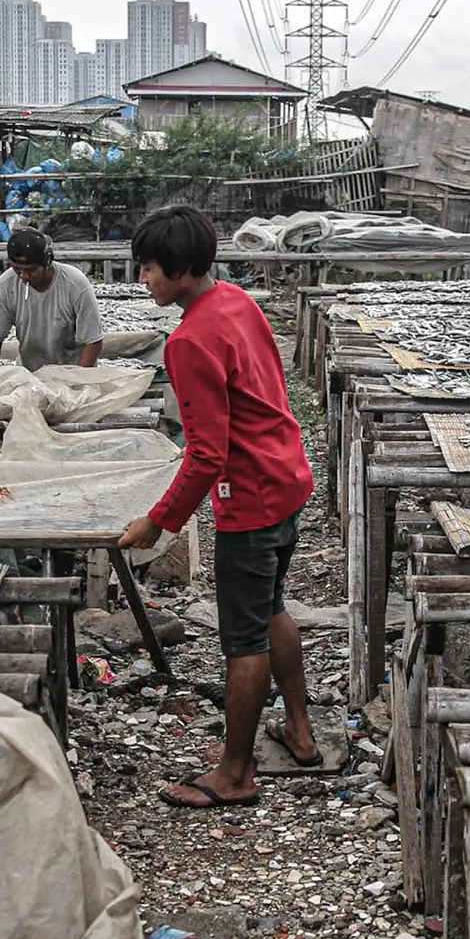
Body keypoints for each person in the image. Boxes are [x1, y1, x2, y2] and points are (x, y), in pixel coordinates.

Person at [119, 204, 318, 810]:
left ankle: (234, 773)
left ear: (180, 269)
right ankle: (301, 733)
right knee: (271, 606)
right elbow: (272, 390)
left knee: (243, 639)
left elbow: (206, 454)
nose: (143, 280)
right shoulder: (237, 300)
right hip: (287, 477)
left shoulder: (188, 340)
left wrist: (158, 520)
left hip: (251, 500)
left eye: (149, 268)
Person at [0, 227, 104, 373]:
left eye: (30, 270)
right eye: (17, 269)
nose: (23, 276)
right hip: (29, 373)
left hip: (72, 371)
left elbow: (93, 341)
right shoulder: (5, 286)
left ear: (47, 262)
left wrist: (79, 380)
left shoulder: (75, 284)